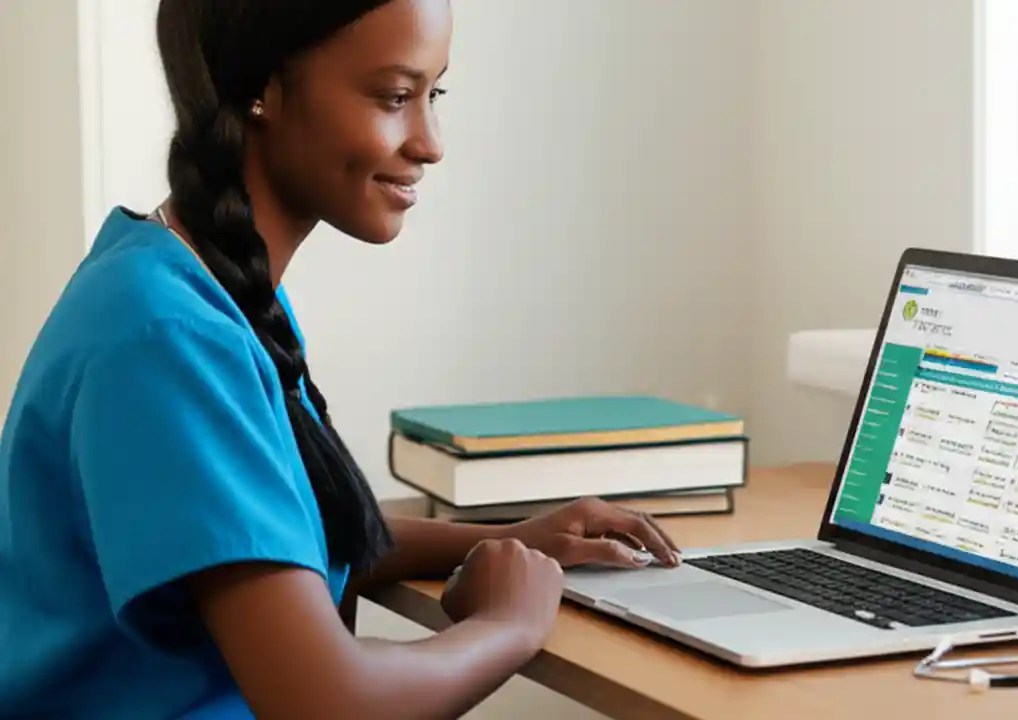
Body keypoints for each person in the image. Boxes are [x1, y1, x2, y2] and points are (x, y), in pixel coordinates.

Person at [0, 1, 680, 717]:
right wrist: (509, 625)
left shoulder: (209, 284)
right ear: (265, 86)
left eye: (432, 94)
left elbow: (280, 541)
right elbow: (327, 704)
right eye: (394, 96)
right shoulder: (167, 336)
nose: (430, 142)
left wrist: (512, 538)